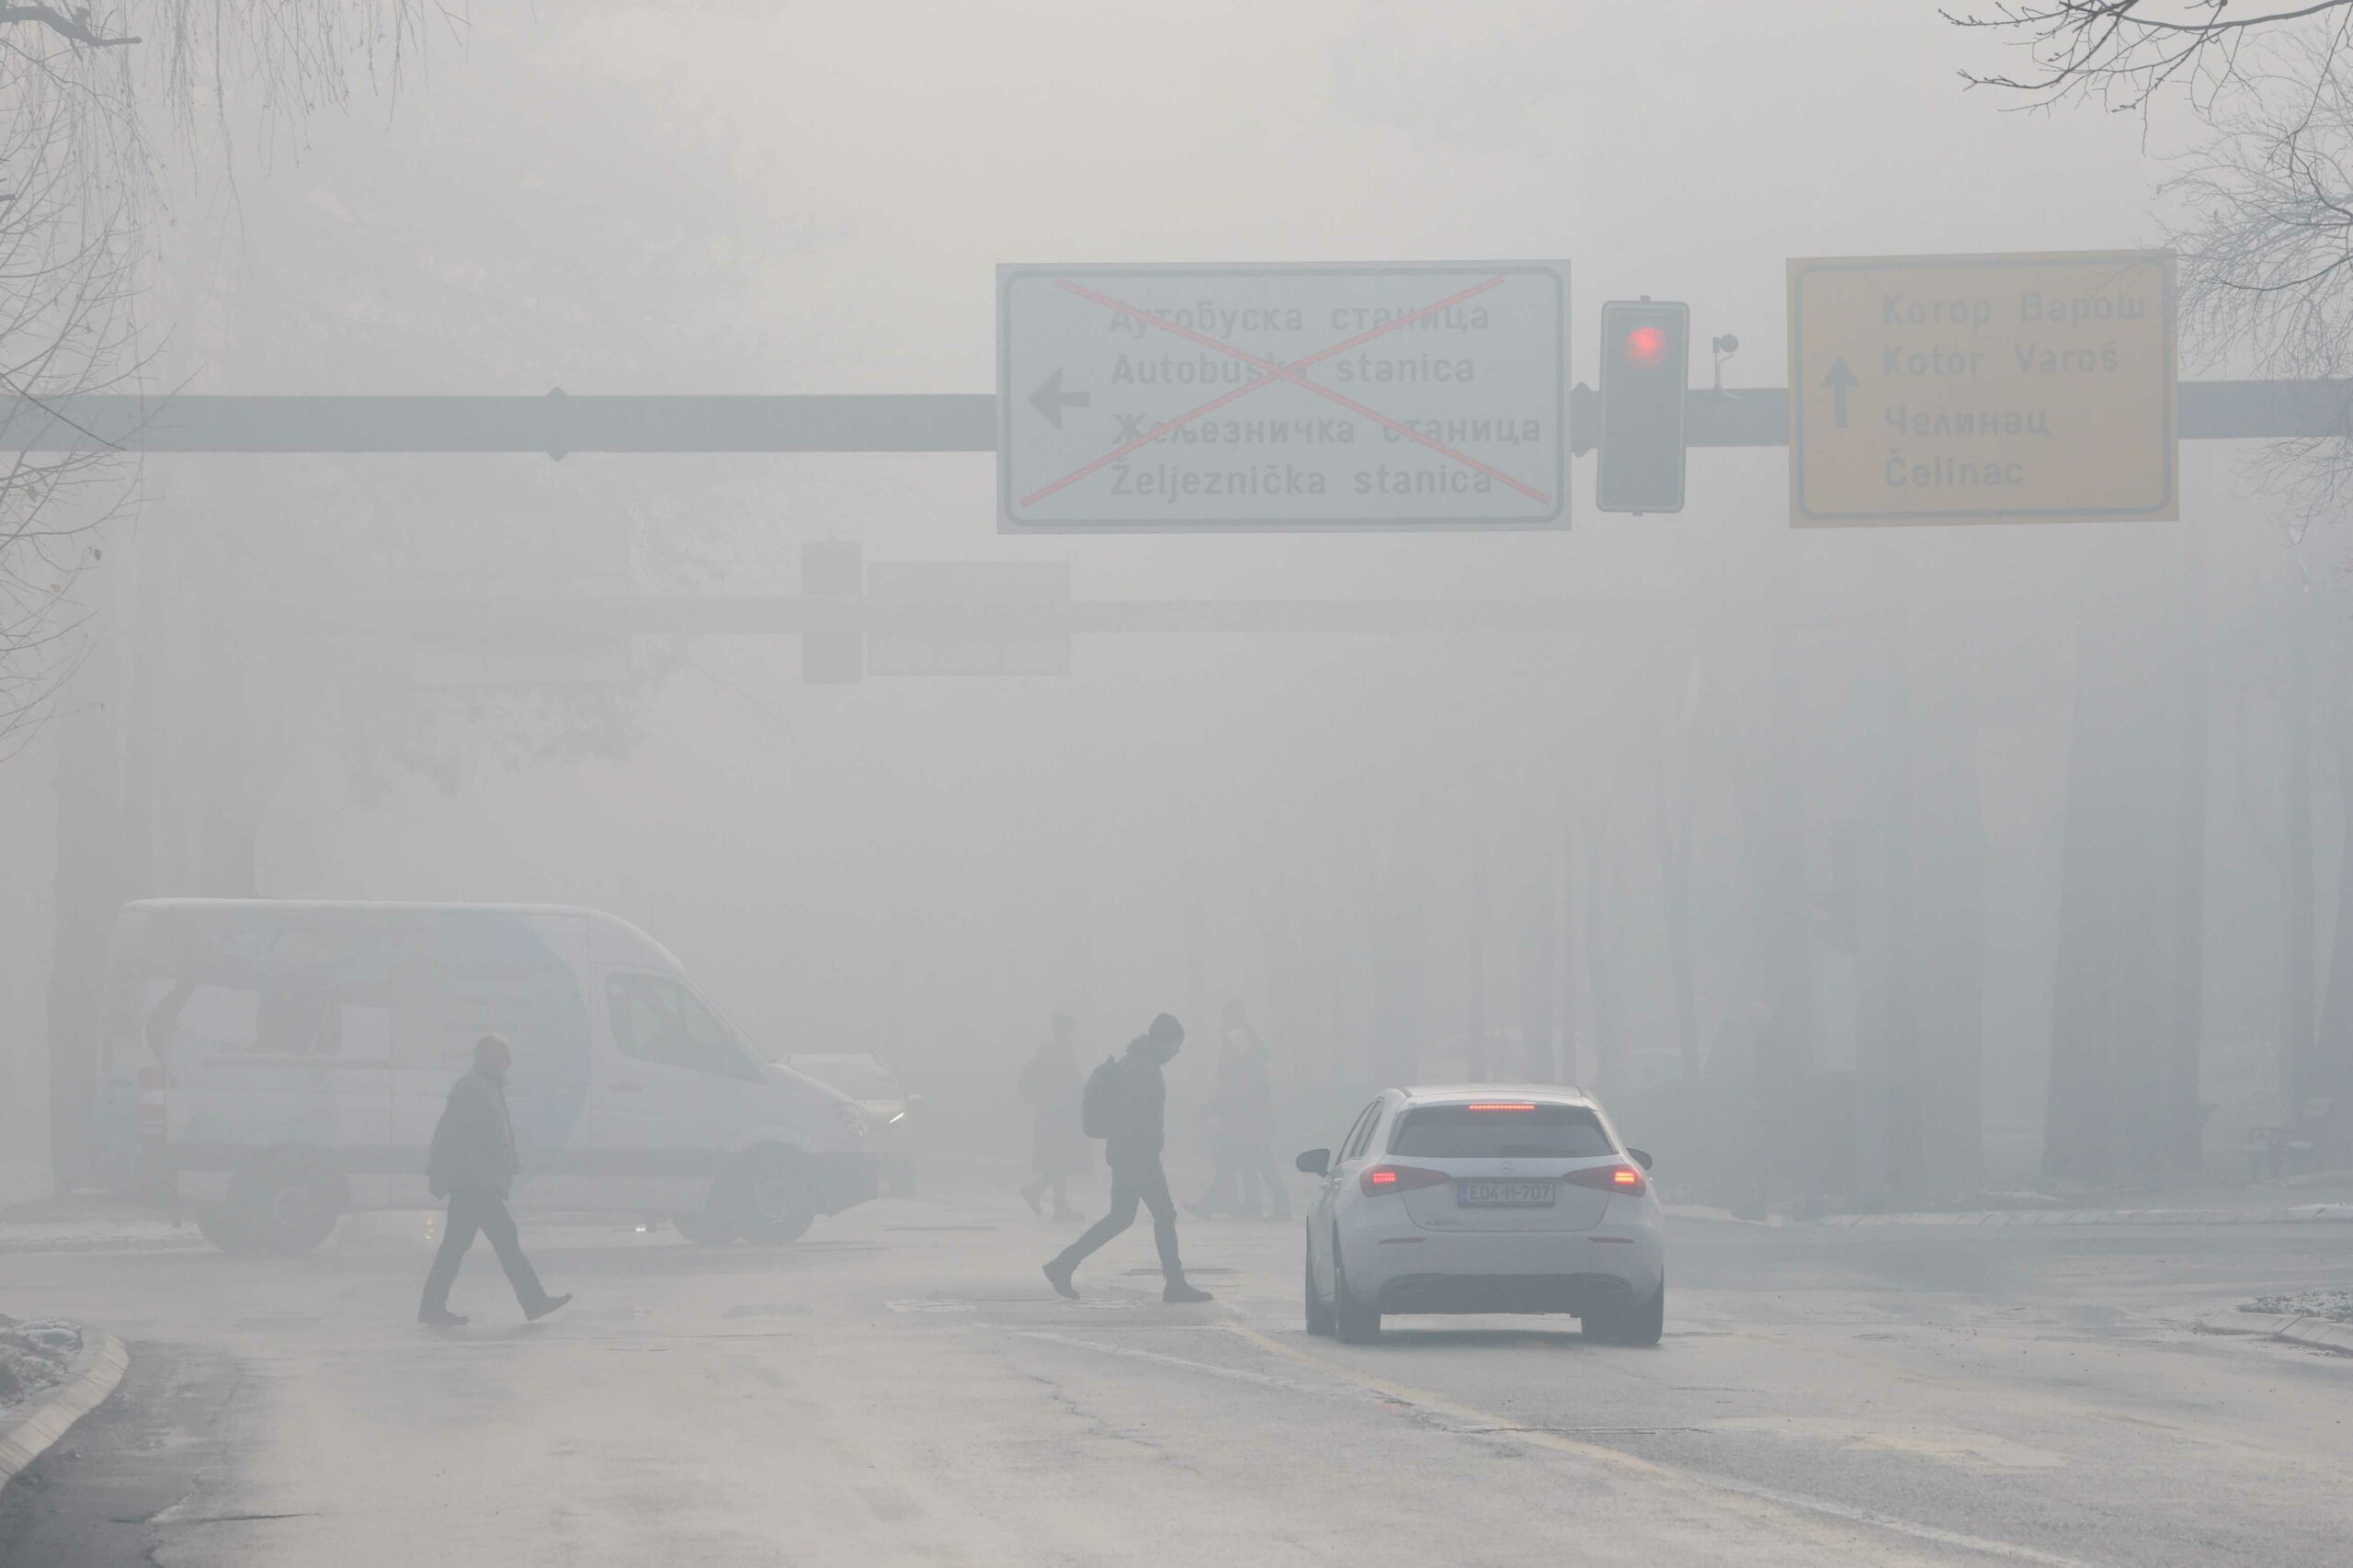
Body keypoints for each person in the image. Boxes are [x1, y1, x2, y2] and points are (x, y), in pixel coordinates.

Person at [1041, 1013, 1212, 1303]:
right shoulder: (1143, 1069)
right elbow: (1137, 1115)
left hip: (1130, 1152)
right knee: (1149, 1215)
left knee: (1131, 1217)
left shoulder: (1134, 1062)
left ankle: (1064, 1264)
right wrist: (1148, 1148)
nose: (1177, 1051)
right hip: (1137, 1154)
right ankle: (1173, 1284)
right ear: (1161, 1040)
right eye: (1174, 1044)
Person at [418, 1035, 571, 1327]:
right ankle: (534, 1301)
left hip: (478, 1181)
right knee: (503, 1241)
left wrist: (508, 1161)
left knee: (458, 1246)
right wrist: (447, 1173)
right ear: (486, 1057)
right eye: (503, 1057)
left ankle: (432, 1306)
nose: (508, 1063)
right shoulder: (473, 1089)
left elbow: (492, 1134)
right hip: (475, 1183)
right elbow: (454, 1135)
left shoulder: (485, 1087)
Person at [1018, 1016, 1089, 1220]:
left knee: (1059, 1160)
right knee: (1063, 1160)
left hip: (1047, 1114)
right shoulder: (1064, 1053)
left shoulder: (1045, 1053)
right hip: (1063, 1115)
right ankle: (1047, 1199)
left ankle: (1049, 1200)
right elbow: (1075, 1085)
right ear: (1069, 1031)